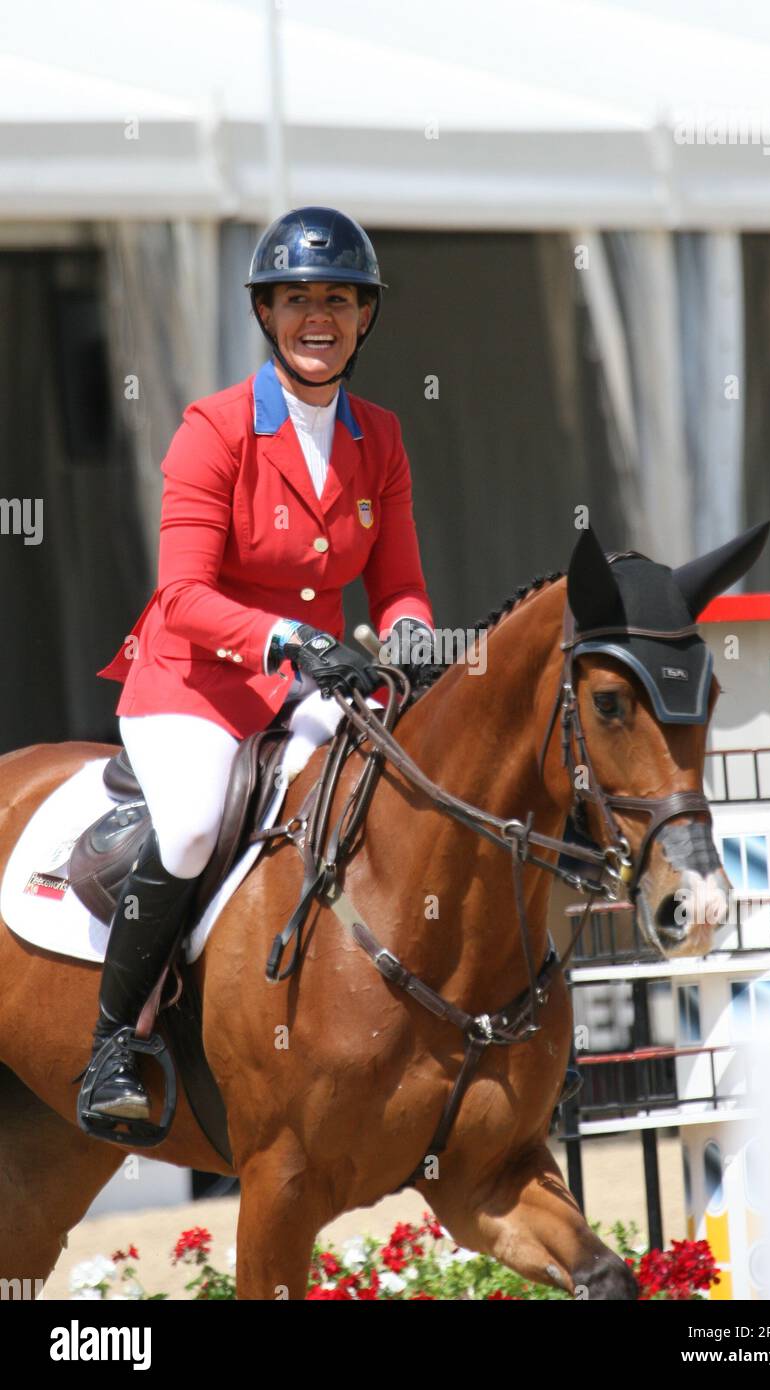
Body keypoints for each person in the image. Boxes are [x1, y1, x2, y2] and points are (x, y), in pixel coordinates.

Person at [82, 206, 436, 1124]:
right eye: (295, 299)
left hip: (306, 687)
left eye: (337, 299)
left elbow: (398, 586)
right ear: (266, 314)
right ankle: (113, 1044)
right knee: (196, 824)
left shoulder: (382, 438)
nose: (316, 316)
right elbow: (181, 594)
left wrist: (407, 644)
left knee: (393, 797)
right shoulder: (215, 427)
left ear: (366, 318)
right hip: (193, 681)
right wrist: (287, 640)